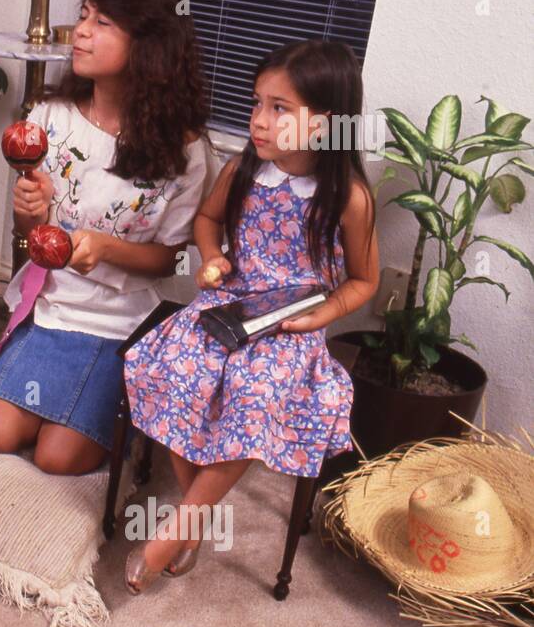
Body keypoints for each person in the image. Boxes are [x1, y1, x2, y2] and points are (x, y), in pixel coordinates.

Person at [123, 39, 380, 594]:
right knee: (174, 364)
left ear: (324, 124)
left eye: (279, 108)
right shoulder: (242, 169)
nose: (259, 121)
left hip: (293, 323)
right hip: (229, 304)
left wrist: (324, 316)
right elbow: (208, 221)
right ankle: (196, 522)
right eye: (257, 103)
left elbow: (364, 281)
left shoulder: (348, 197)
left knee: (252, 389)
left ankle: (179, 525)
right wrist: (212, 258)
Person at [0, 0, 214, 477]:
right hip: (53, 310)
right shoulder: (47, 120)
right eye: (83, 14)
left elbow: (167, 261)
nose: (80, 30)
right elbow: (32, 240)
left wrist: (103, 248)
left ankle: (134, 408)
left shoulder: (185, 153)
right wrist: (29, 218)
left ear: (148, 45)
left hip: (121, 325)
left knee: (59, 458)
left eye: (102, 22)